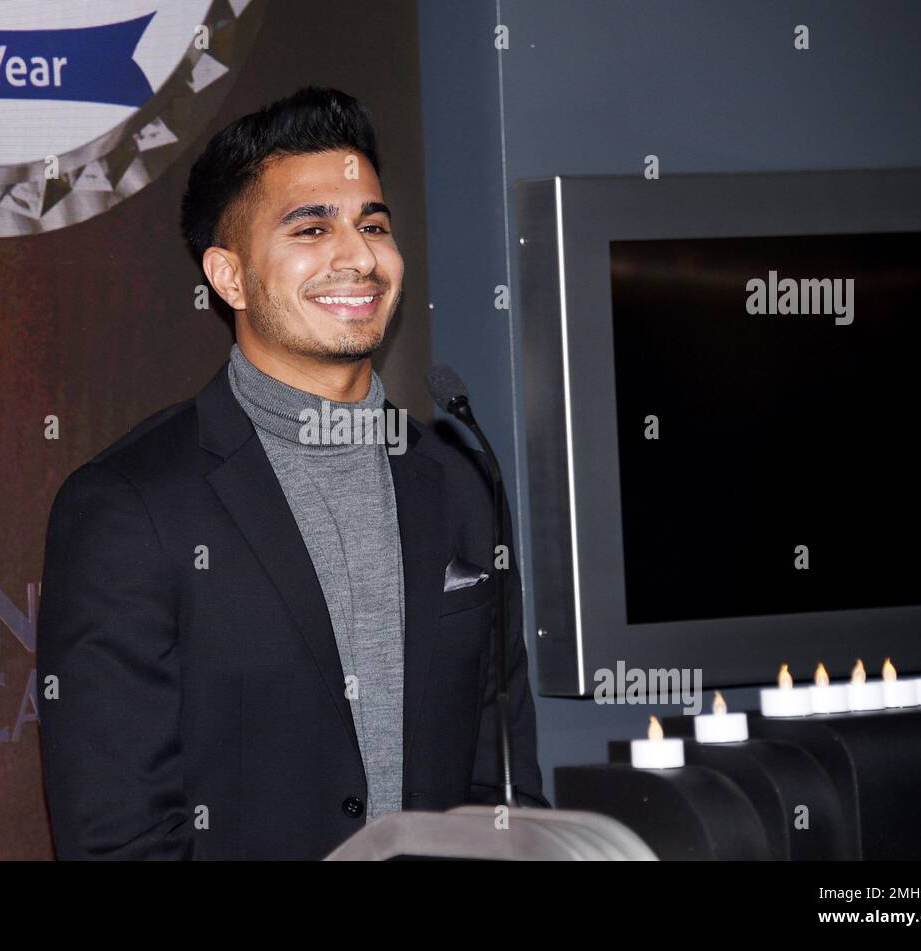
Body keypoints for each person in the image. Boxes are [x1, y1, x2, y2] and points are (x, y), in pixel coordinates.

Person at [37, 86, 547, 860]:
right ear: (230, 277)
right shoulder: (127, 507)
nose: (359, 255)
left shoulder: (461, 483)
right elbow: (121, 840)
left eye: (372, 224)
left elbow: (504, 792)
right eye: (312, 227)